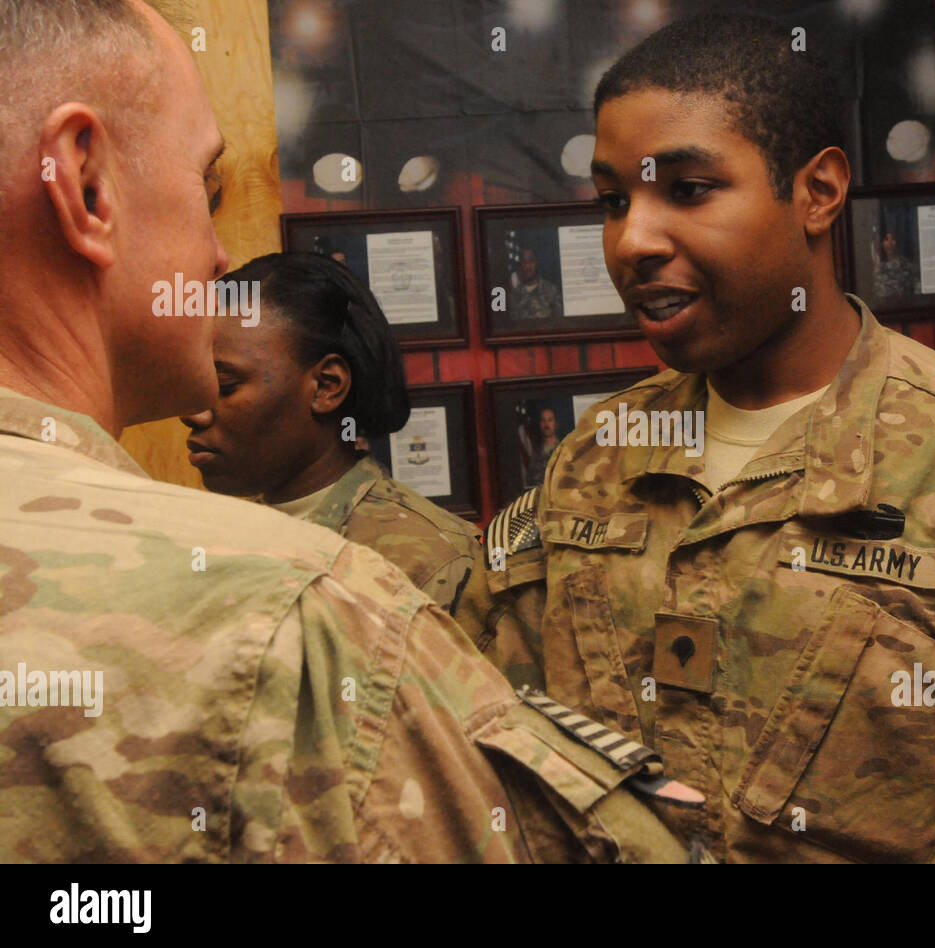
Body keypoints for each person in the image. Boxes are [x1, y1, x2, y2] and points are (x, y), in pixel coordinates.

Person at [457, 13, 935, 863]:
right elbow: (519, 779)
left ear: (817, 192)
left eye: (687, 189)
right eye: (614, 201)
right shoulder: (595, 460)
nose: (632, 239)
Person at [0, 0, 693, 864]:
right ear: (89, 186)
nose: (216, 257)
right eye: (206, 188)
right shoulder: (299, 609)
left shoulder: (374, 574)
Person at [180, 252, 478, 615]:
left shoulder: (430, 563)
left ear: (326, 386)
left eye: (225, 385)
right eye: (196, 383)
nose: (192, 413)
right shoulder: (225, 541)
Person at [509, 247, 562, 320]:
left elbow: (559, 323)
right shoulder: (515, 295)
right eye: (524, 262)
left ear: (537, 262)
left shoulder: (552, 291)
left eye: (531, 261)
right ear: (521, 264)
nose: (527, 266)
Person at [524, 406, 561, 488]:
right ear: (540, 424)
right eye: (543, 420)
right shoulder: (535, 453)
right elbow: (530, 481)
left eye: (550, 420)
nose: (546, 424)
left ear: (556, 424)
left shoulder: (564, 451)